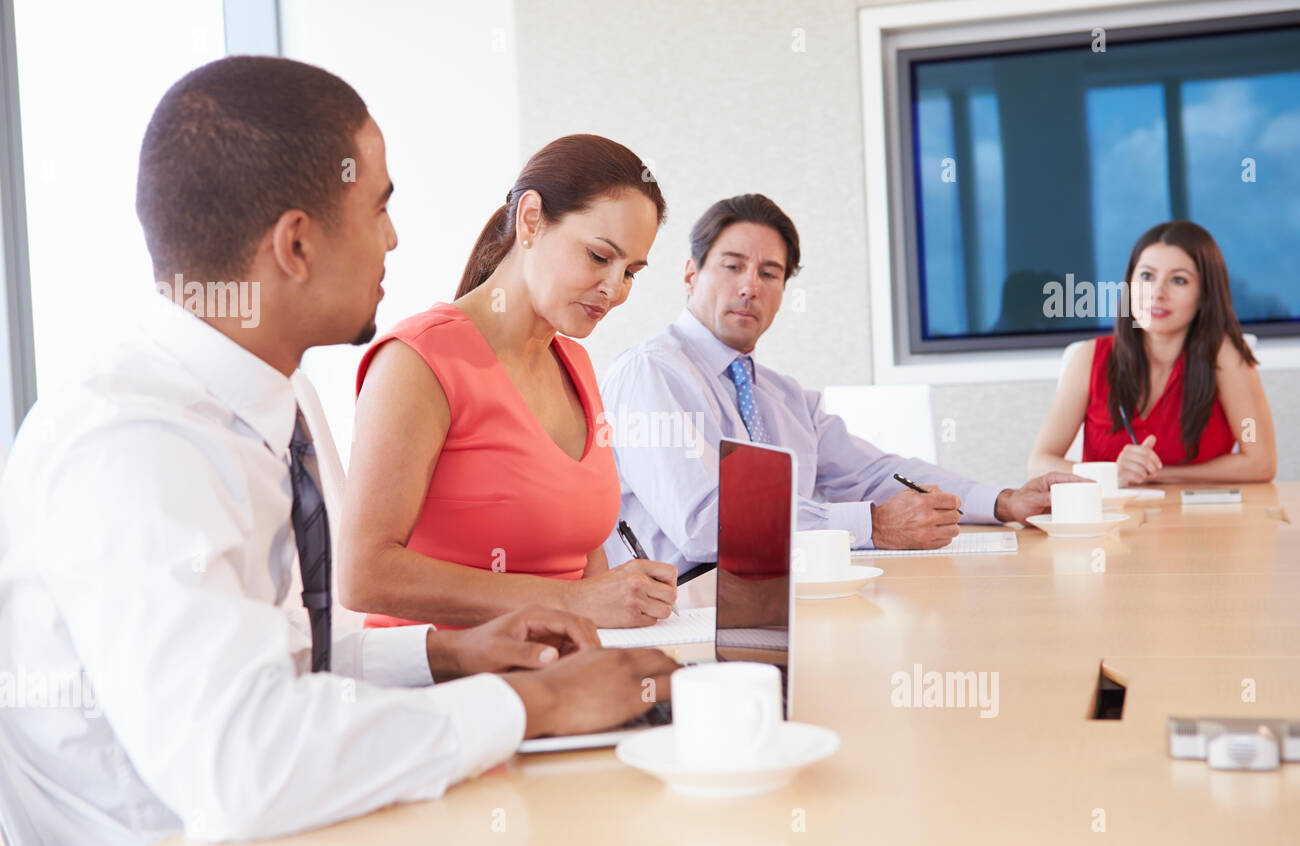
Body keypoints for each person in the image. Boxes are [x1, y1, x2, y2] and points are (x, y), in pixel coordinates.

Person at [0, 56, 675, 846]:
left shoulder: (279, 403)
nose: (395, 238)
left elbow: (289, 653)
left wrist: (447, 652)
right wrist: (526, 704)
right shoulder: (130, 444)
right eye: (379, 208)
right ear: (295, 243)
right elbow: (241, 768)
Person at [601, 193, 1080, 572]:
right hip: (687, 610)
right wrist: (871, 524)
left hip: (784, 595)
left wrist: (1003, 500)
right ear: (691, 274)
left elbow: (875, 473)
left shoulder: (783, 396)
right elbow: (704, 523)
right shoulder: (652, 373)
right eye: (732, 266)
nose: (750, 286)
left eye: (770, 273)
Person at [339, 135, 679, 630]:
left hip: (557, 672)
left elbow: (584, 565)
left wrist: (622, 607)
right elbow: (363, 576)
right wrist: (575, 603)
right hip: (447, 684)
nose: (615, 289)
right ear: (531, 220)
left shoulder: (577, 365)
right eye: (599, 256)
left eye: (631, 272)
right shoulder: (419, 361)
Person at [1028, 221, 1276, 487]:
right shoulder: (1089, 358)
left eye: (1179, 280)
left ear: (1204, 294)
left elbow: (1260, 462)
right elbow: (1040, 463)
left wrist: (1156, 474)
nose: (1157, 293)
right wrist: (1112, 474)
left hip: (1198, 524)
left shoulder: (1226, 358)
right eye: (1147, 276)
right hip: (1111, 523)